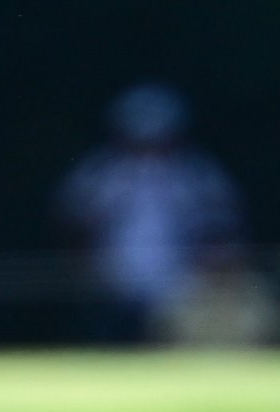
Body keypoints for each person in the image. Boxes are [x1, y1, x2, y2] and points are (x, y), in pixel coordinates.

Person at [58, 85, 243, 344]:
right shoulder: (100, 172)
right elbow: (73, 222)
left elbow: (221, 227)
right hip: (112, 280)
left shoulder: (198, 174)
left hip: (182, 283)